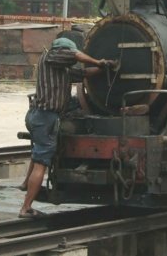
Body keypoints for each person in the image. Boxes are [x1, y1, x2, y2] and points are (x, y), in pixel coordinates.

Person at [19, 37, 115, 219]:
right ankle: (26, 207)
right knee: (42, 162)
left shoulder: (60, 70)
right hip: (45, 116)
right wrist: (98, 61)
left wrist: (103, 68)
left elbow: (85, 74)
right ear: (60, 51)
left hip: (37, 115)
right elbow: (74, 55)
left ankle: (25, 183)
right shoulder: (50, 57)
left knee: (38, 151)